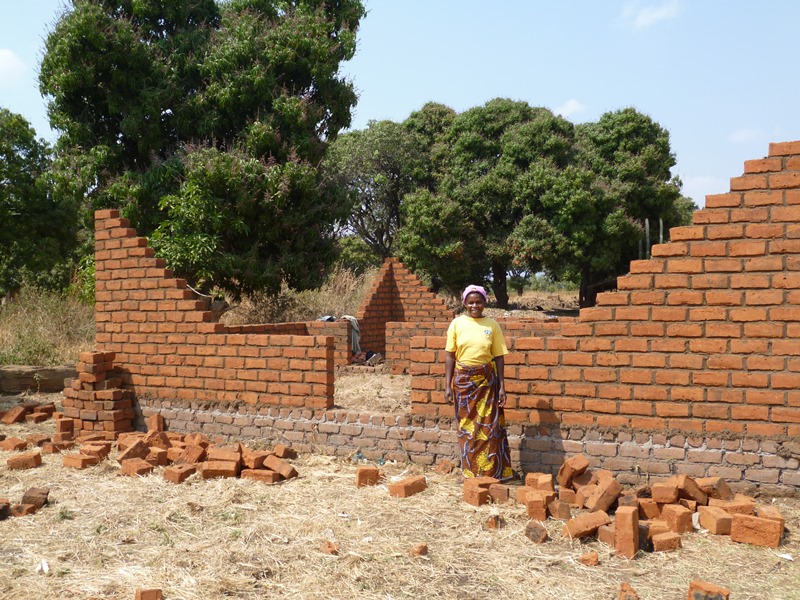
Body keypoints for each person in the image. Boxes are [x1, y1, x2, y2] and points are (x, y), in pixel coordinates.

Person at [445, 284, 513, 481]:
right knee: (467, 428)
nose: (475, 305)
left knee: (489, 429)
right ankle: (470, 473)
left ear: (485, 302)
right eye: (471, 302)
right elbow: (450, 355)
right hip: (464, 382)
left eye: (479, 302)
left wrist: (502, 386)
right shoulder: (457, 324)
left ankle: (492, 474)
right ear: (465, 303)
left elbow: (499, 356)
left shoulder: (492, 325)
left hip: (487, 382)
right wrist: (447, 385)